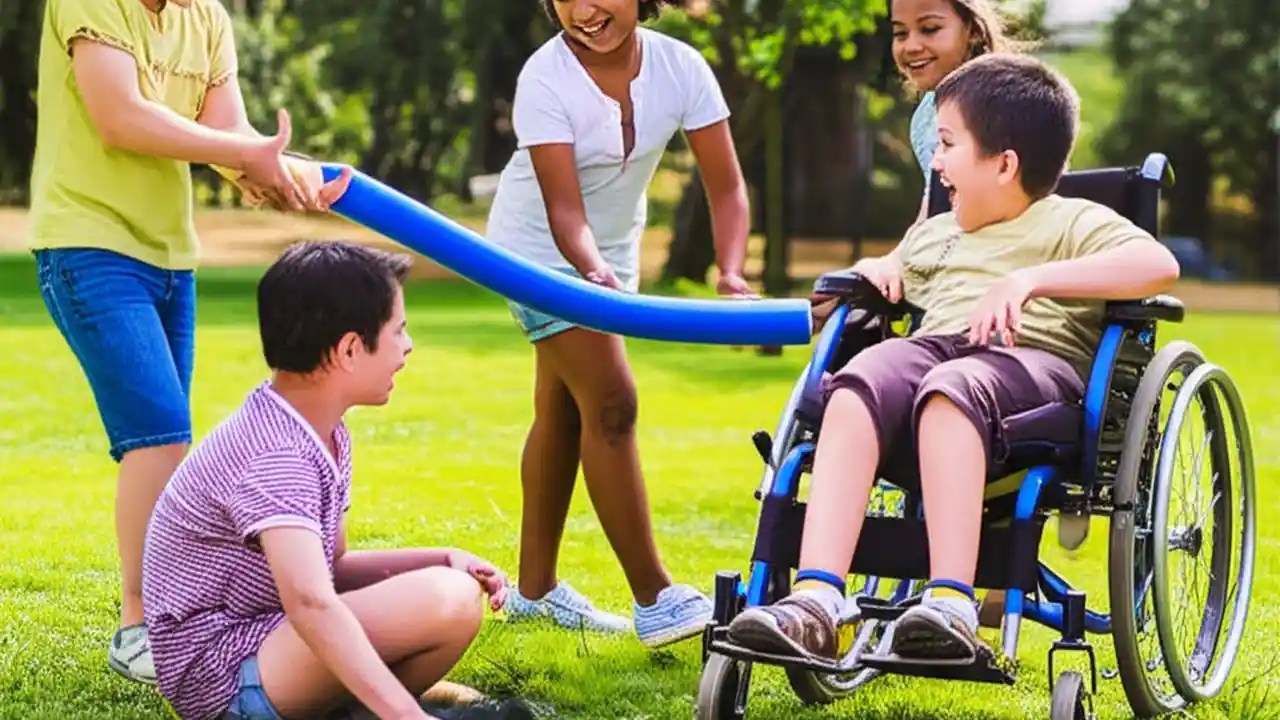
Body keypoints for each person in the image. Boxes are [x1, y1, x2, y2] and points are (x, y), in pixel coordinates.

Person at [727, 54, 1181, 663]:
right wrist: (877, 269)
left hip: (1030, 364)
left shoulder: (1072, 219)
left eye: (946, 144)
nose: (934, 162)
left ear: (1004, 164)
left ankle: (950, 602)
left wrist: (1029, 282)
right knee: (861, 378)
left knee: (951, 386)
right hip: (935, 352)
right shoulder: (939, 232)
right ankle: (816, 600)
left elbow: (1159, 267)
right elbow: (891, 274)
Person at [27, 0, 351, 684]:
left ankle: (178, 617)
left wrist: (282, 177)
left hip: (171, 255)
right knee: (160, 436)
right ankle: (138, 625)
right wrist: (245, 156)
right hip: (87, 243)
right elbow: (121, 119)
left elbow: (229, 132)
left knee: (166, 440)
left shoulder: (205, 17)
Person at [140, 240, 508, 720]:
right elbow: (312, 604)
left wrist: (441, 557)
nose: (408, 346)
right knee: (447, 598)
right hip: (221, 679)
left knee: (454, 594)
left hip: (267, 646)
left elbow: (332, 568)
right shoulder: (277, 453)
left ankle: (361, 709)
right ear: (351, 349)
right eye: (399, 331)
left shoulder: (320, 429)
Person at [483, 0, 754, 647]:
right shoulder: (544, 77)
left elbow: (726, 188)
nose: (582, 9)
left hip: (612, 257)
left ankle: (536, 591)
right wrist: (588, 269)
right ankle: (655, 595)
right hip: (538, 253)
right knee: (612, 401)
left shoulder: (680, 68)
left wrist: (732, 272)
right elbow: (563, 208)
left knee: (565, 411)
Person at [891, 0, 1022, 226]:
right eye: (900, 33)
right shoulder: (925, 116)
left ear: (973, 31)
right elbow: (934, 210)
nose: (911, 46)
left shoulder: (1002, 104)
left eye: (930, 29)